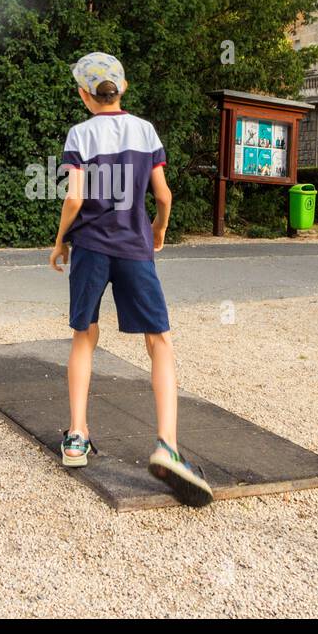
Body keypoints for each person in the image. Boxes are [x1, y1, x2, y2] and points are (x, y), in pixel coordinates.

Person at [48, 52, 213, 507]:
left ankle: (78, 438)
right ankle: (167, 445)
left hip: (91, 248)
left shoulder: (80, 133)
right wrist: (158, 229)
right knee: (158, 340)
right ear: (122, 89)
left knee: (84, 335)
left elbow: (75, 198)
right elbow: (163, 194)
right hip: (134, 246)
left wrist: (61, 241)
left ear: (85, 94)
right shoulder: (146, 131)